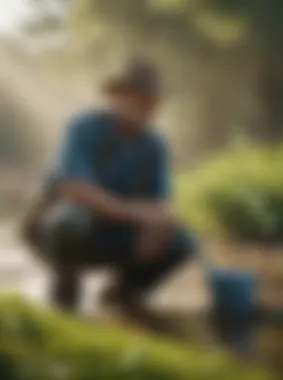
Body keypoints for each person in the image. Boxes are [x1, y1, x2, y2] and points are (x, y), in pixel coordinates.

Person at [21, 59, 195, 322]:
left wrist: (157, 225)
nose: (147, 109)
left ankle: (123, 295)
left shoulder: (154, 145)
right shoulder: (83, 128)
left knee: (181, 242)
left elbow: (162, 205)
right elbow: (76, 190)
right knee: (70, 220)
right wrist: (136, 214)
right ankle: (65, 295)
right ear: (117, 97)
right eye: (140, 99)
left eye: (152, 102)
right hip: (60, 232)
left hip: (114, 235)